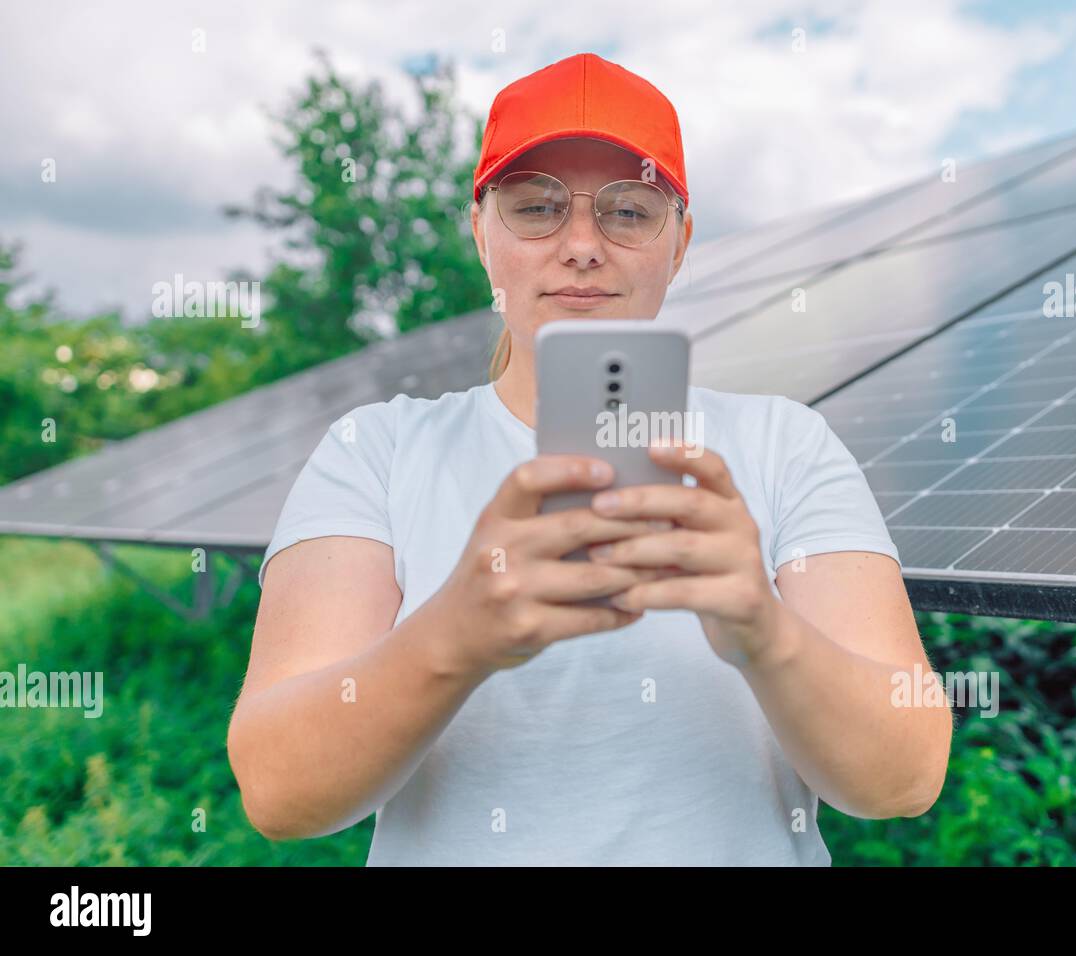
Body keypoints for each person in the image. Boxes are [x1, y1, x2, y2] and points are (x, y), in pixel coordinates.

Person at [227, 52, 951, 866]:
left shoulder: (788, 445)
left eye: (630, 211)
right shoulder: (377, 451)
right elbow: (279, 792)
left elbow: (905, 779)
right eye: (535, 207)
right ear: (481, 233)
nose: (580, 245)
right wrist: (454, 634)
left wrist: (764, 630)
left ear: (679, 244)